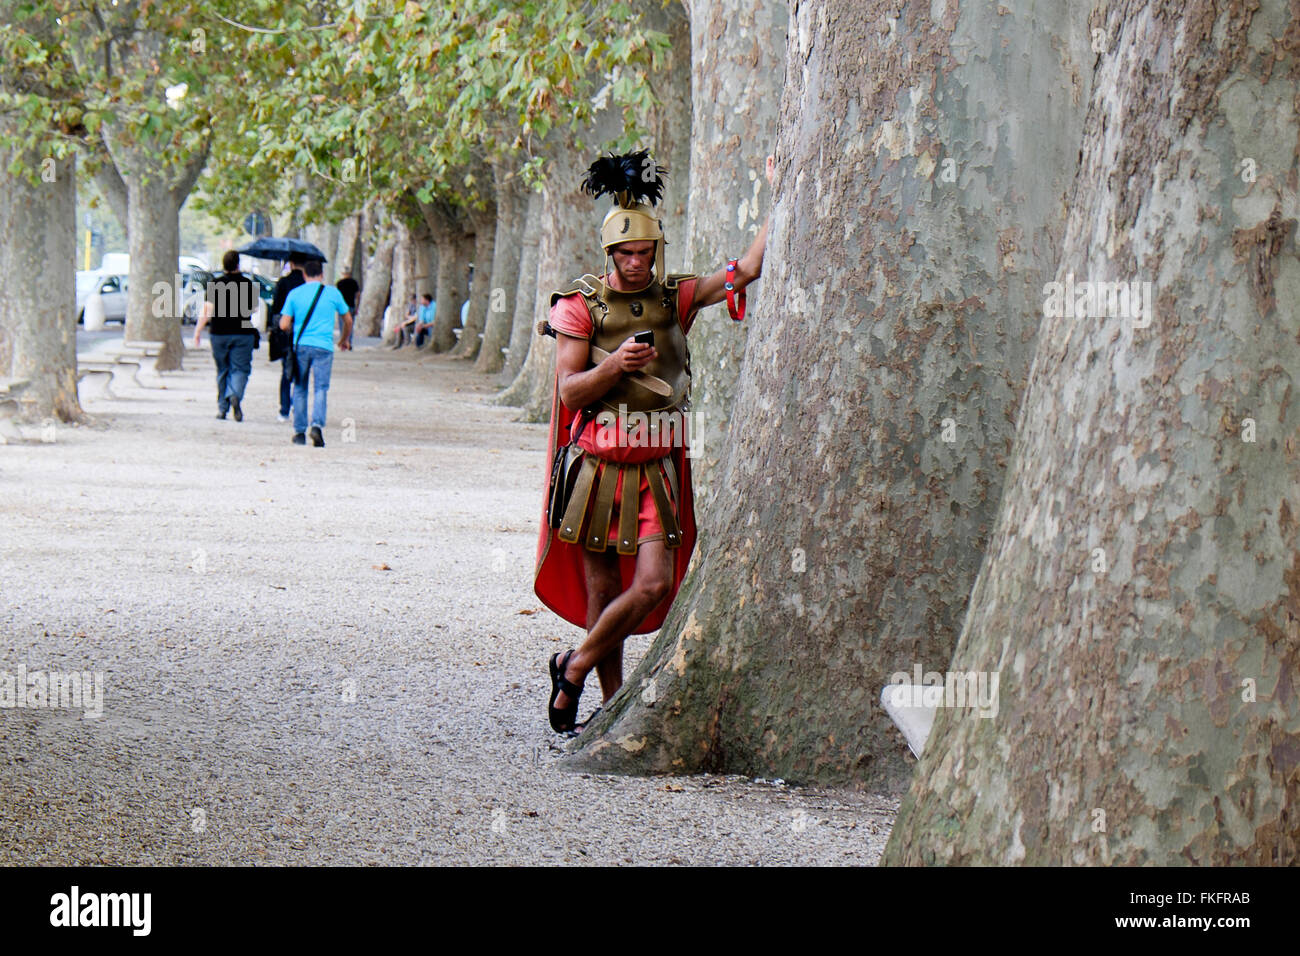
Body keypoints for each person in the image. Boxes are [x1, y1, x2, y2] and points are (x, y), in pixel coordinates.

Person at [538, 149, 773, 734]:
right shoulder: (578, 305)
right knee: (603, 588)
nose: (637, 263)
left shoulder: (676, 297)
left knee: (655, 583)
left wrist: (780, 193)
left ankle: (574, 664)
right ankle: (611, 704)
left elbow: (743, 271)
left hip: (658, 457)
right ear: (609, 253)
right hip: (596, 462)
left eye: (645, 253)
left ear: (657, 252)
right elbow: (569, 393)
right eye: (626, 254)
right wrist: (615, 366)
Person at [278, 258, 353, 447]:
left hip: (301, 346)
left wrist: (293, 329)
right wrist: (344, 339)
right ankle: (317, 426)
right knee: (321, 388)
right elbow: (348, 320)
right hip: (324, 347)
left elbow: (284, 324)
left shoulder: (295, 294)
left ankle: (300, 431)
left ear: (304, 275)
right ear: (322, 274)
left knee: (300, 387)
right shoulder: (333, 293)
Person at [193, 249, 260, 421]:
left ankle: (222, 409)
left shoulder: (215, 284)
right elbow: (254, 309)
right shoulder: (247, 285)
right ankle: (234, 394)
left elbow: (207, 310)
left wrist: (198, 331)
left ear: (223, 265)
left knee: (222, 370)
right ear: (238, 264)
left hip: (219, 333)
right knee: (240, 369)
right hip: (242, 333)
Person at [269, 254, 307, 421]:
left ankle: (284, 409)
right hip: (305, 333)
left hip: (286, 333)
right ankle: (299, 407)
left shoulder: (283, 283)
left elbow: (276, 309)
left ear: (290, 264)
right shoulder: (307, 285)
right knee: (302, 372)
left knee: (286, 371)